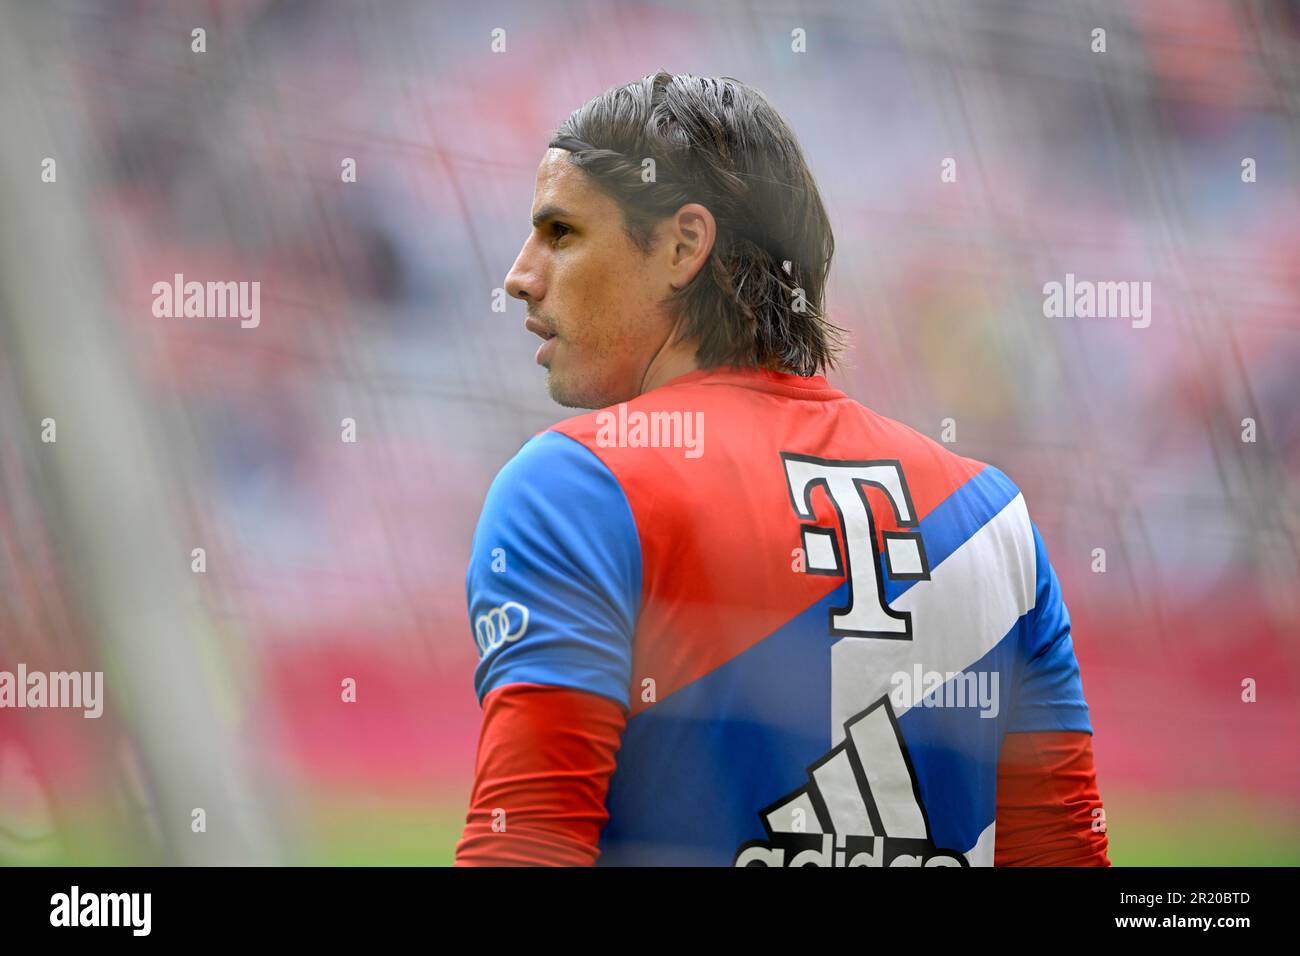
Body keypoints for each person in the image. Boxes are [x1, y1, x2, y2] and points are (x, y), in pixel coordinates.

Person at [455, 72, 1109, 866]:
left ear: (683, 245)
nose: (520, 274)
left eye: (561, 232)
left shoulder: (575, 490)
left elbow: (525, 847)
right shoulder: (995, 517)